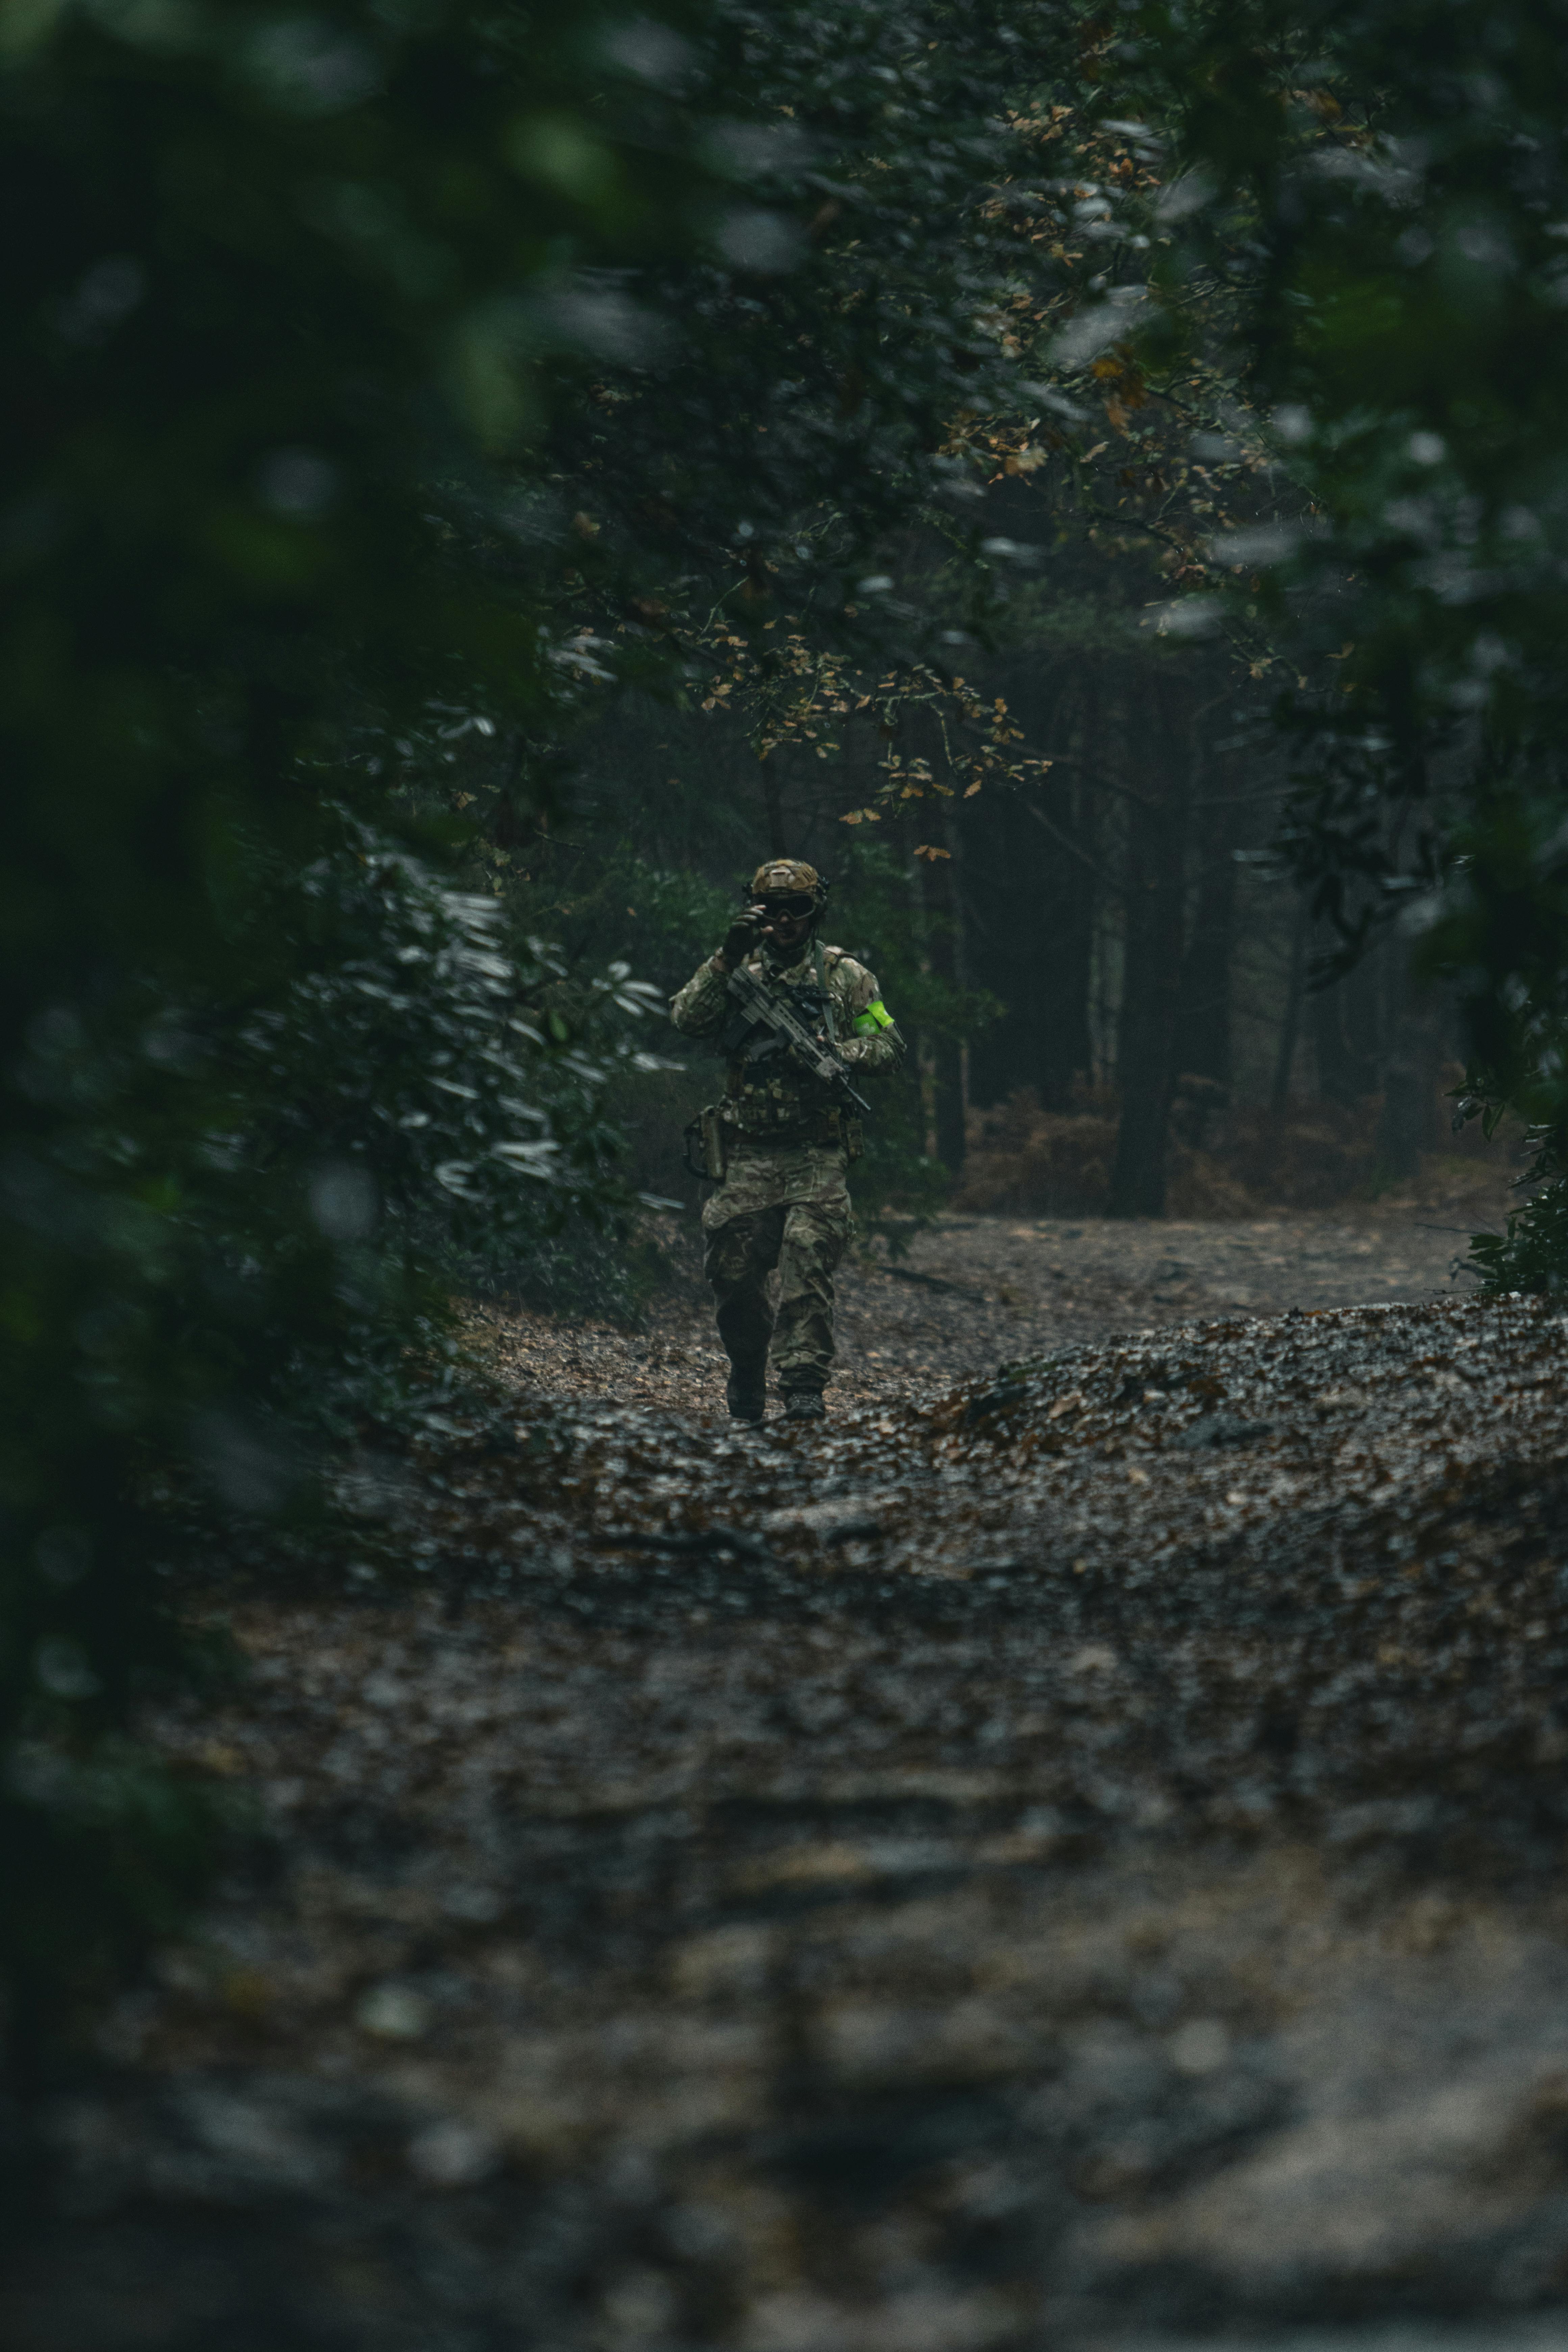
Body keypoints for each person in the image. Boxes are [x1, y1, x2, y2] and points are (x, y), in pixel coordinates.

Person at [671, 859, 904, 1422]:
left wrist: (839, 1053)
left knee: (807, 1258)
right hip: (747, 1149)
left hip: (815, 1151)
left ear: (815, 910)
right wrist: (726, 956)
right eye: (771, 910)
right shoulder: (735, 969)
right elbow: (686, 1018)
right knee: (733, 1274)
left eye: (796, 909)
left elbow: (889, 1045)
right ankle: (748, 1366)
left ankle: (803, 1384)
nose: (784, 920)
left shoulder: (846, 977)